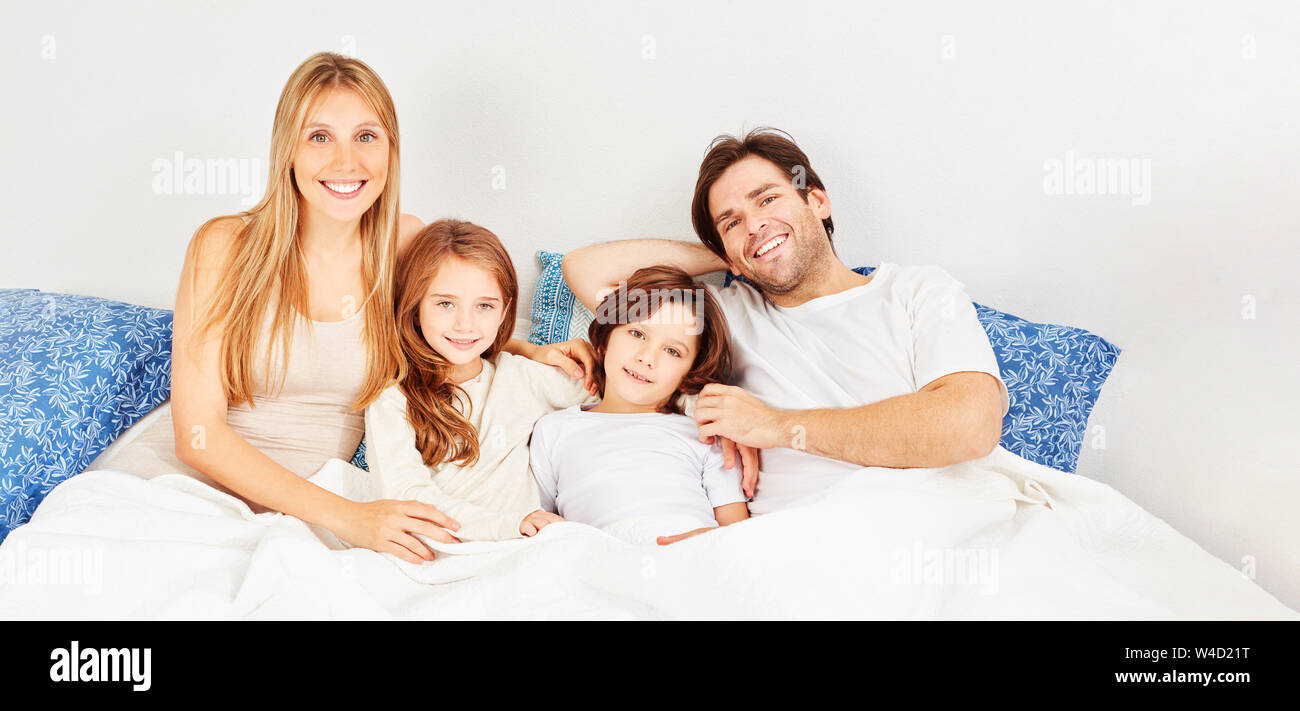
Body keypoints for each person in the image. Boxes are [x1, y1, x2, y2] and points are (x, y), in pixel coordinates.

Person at [93, 53, 593, 564]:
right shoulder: (225, 245)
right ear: (288, 149)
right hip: (177, 492)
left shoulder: (404, 243)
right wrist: (349, 517)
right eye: (319, 137)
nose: (346, 162)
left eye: (366, 136)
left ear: (391, 149)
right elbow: (198, 439)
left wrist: (527, 349)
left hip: (303, 520)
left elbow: (445, 328)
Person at [561, 128, 1009, 542]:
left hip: (927, 528)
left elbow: (971, 425)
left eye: (767, 199)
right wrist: (728, 256)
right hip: (791, 549)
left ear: (817, 201)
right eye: (731, 222)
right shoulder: (718, 315)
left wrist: (776, 426)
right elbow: (585, 269)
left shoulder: (918, 291)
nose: (754, 225)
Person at [363, 220, 602, 548]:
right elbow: (405, 495)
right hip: (448, 550)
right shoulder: (393, 398)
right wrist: (510, 525)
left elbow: (625, 393)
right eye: (445, 303)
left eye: (484, 306)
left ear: (504, 312)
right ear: (415, 307)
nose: (465, 324)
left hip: (521, 550)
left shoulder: (522, 376)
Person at [529, 266, 749, 545]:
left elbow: (738, 536)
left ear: (688, 375)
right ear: (605, 340)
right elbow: (537, 521)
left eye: (672, 351)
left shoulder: (705, 436)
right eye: (637, 334)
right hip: (601, 554)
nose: (647, 358)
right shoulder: (554, 429)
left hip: (690, 552)